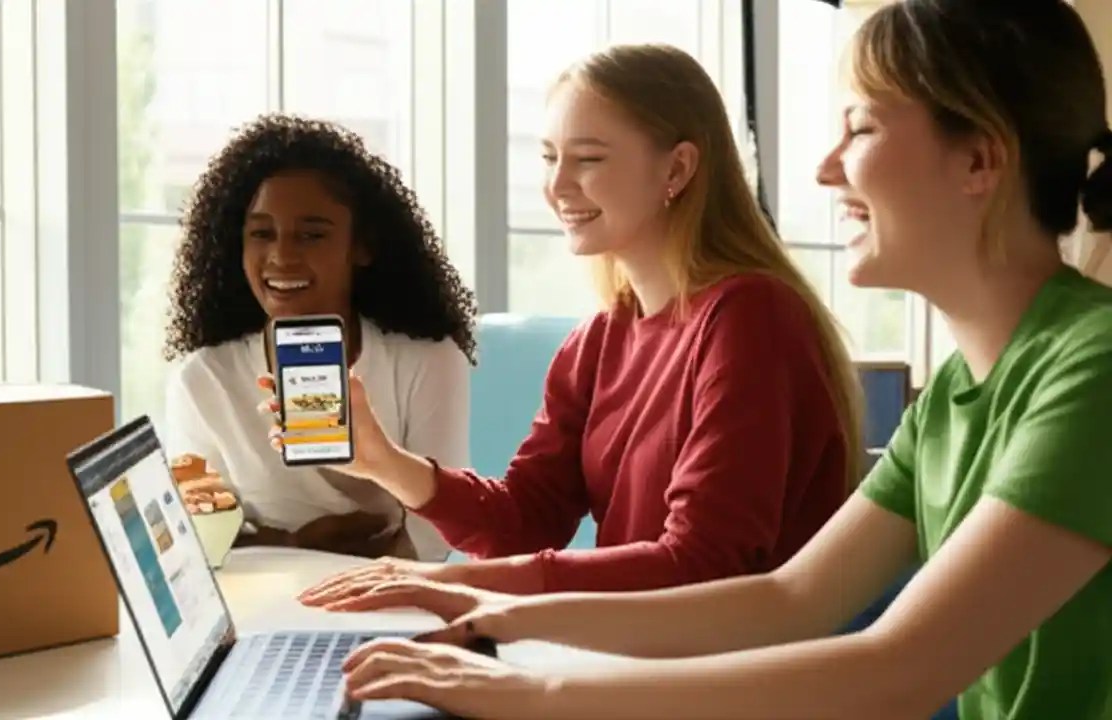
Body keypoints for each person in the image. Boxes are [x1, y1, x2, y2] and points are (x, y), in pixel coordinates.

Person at [324, 1, 1112, 718]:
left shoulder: (1095, 368)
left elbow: (897, 669)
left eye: (861, 129)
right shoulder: (954, 393)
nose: (825, 168)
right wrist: (485, 612)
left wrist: (529, 686)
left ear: (980, 161)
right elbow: (788, 598)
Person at [275, 41, 865, 602]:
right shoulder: (600, 339)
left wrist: (459, 587)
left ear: (678, 169)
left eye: (587, 159)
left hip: (727, 682)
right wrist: (385, 463)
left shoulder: (751, 319)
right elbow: (526, 522)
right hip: (630, 658)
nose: (557, 187)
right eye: (550, 158)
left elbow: (703, 563)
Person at [162, 114, 477, 562]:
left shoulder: (429, 361)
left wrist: (349, 572)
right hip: (259, 603)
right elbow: (197, 542)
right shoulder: (203, 379)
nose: (281, 255)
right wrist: (296, 549)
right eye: (261, 233)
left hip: (389, 596)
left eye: (312, 234)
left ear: (362, 247)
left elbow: (432, 540)